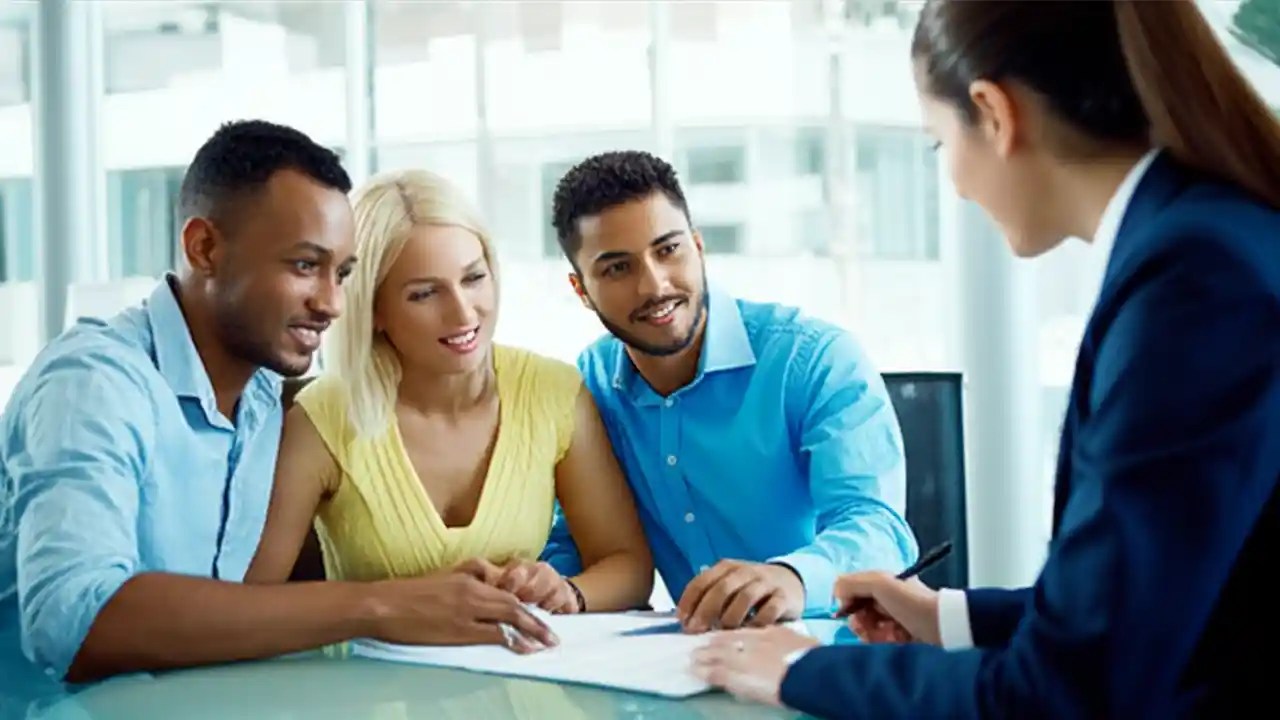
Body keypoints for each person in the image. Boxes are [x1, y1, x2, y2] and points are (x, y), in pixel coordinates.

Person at [691, 1, 1280, 717]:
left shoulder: (1193, 279)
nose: (957, 187)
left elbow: (1075, 689)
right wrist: (948, 616)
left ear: (993, 113)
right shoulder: (1209, 237)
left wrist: (803, 673)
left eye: (940, 147)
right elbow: (1155, 595)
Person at [0, 121, 555, 687]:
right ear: (205, 248)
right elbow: (73, 621)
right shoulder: (94, 382)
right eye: (303, 266)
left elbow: (239, 612)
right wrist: (379, 606)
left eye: (341, 273)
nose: (332, 303)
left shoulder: (267, 398)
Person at [244, 168, 653, 621]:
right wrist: (396, 603)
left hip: (515, 680)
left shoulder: (554, 392)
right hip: (368, 686)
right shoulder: (320, 421)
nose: (463, 313)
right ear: (374, 309)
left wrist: (569, 592)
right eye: (424, 294)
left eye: (474, 278)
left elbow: (628, 567)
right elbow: (250, 602)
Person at [539, 150, 919, 632]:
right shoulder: (589, 388)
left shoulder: (816, 358)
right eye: (617, 268)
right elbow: (579, 540)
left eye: (668, 249)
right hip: (686, 665)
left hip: (829, 649)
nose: (654, 285)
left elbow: (876, 527)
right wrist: (547, 581)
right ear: (581, 290)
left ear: (698, 247)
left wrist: (791, 578)